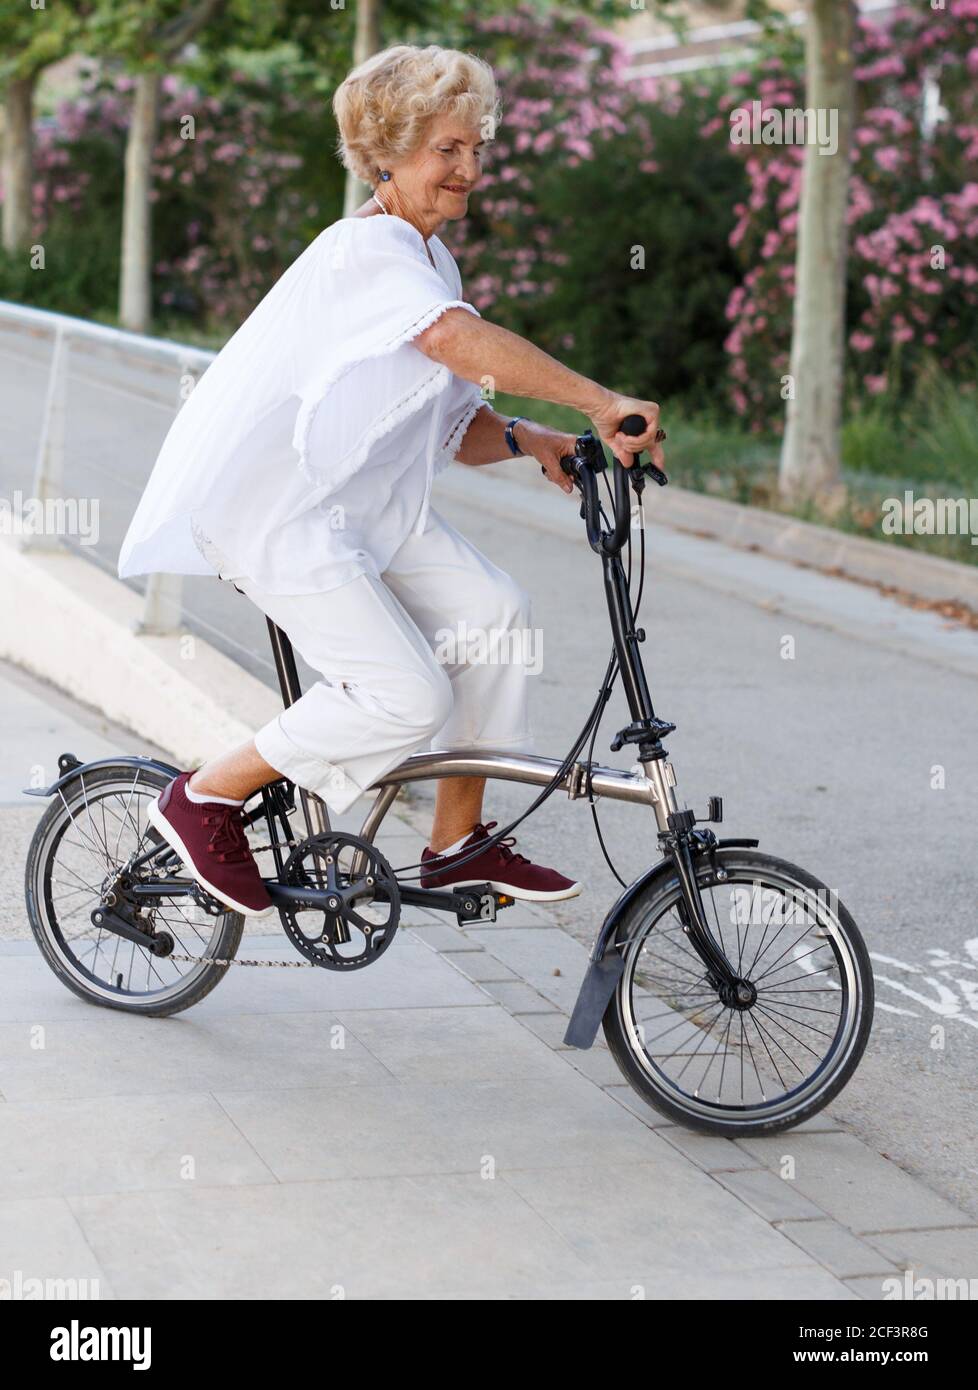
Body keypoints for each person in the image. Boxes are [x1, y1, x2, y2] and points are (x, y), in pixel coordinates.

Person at [118, 43, 665, 918]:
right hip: (285, 516)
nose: (468, 169)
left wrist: (539, 442)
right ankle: (204, 797)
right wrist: (602, 401)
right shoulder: (364, 253)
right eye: (446, 150)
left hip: (371, 511)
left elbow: (449, 421)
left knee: (496, 616)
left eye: (476, 148)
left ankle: (456, 842)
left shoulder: (429, 263)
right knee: (405, 694)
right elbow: (453, 343)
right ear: (385, 154)